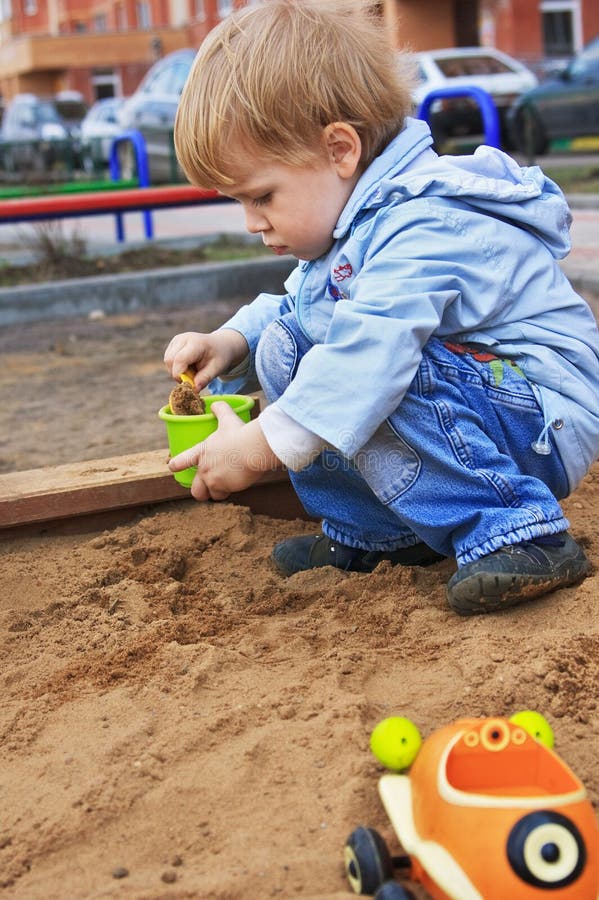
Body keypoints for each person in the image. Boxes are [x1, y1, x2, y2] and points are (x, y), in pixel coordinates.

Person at [163, 0, 599, 615]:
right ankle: (380, 537)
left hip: (537, 418)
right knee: (291, 344)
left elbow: (372, 350)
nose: (251, 222)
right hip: (476, 404)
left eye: (261, 195)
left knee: (373, 367)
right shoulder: (356, 218)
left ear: (340, 149)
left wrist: (260, 444)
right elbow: (303, 305)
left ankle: (520, 530)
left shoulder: (425, 220)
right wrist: (232, 342)